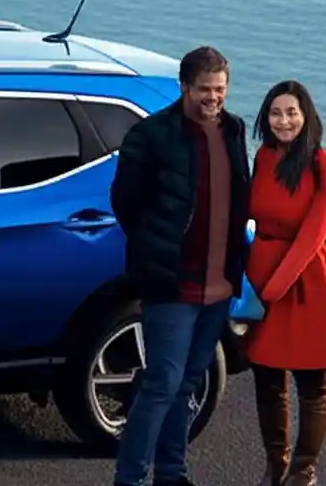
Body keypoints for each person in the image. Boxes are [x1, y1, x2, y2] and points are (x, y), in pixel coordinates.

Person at [109, 46, 252, 486]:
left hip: (219, 283)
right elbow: (125, 201)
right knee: (161, 383)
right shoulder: (151, 135)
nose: (213, 98)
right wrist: (155, 245)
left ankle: (172, 474)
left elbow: (239, 193)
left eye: (221, 90)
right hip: (170, 282)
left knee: (189, 383)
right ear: (184, 86)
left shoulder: (234, 129)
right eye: (205, 90)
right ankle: (129, 477)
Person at [245, 80, 326, 486]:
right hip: (262, 275)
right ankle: (275, 467)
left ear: (306, 117)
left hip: (307, 283)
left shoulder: (323, 165)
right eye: (275, 113)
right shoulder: (264, 158)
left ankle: (303, 471)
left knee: (311, 381)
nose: (283, 120)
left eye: (291, 112)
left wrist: (273, 290)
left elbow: (312, 234)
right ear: (265, 118)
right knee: (267, 379)